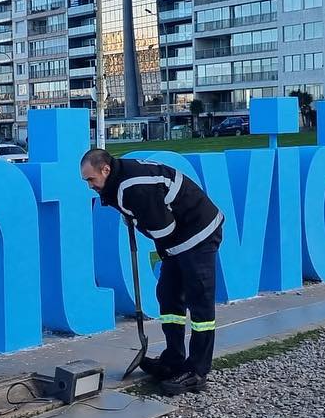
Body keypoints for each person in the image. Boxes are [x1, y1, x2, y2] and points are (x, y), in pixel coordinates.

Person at [81, 147, 222, 395]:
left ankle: (197, 371)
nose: (90, 185)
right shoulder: (119, 182)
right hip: (178, 241)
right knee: (168, 295)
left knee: (200, 303)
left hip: (198, 234)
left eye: (91, 179)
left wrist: (137, 219)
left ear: (105, 169)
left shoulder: (133, 187)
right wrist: (134, 215)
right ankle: (174, 359)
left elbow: (164, 230)